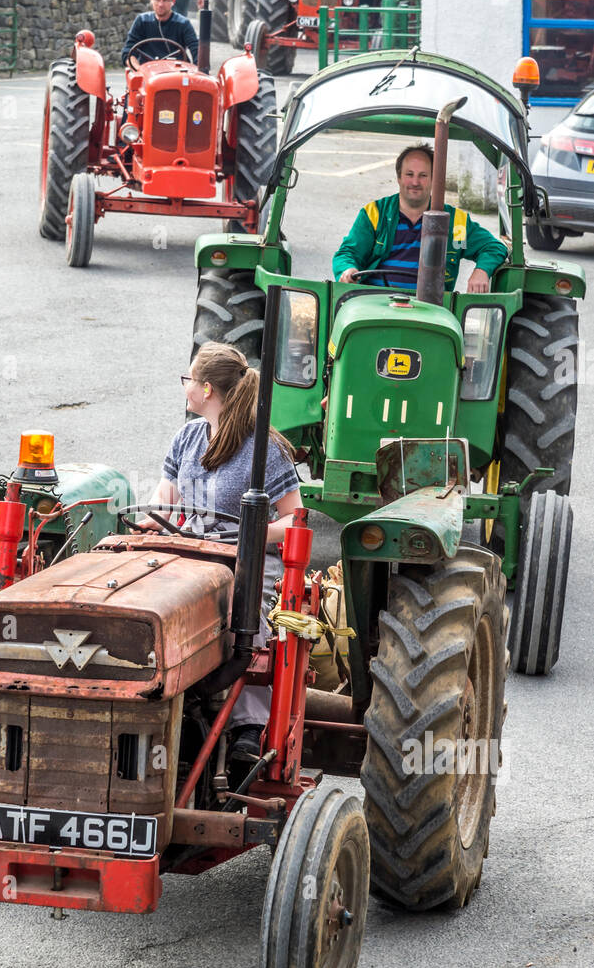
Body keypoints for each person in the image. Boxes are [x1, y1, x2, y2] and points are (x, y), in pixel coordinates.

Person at [145, 342, 302, 764]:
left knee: (243, 615)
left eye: (189, 379)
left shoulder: (265, 449)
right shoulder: (188, 437)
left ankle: (249, 725)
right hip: (191, 551)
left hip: (244, 559)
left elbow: (295, 519)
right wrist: (150, 517)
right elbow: (165, 498)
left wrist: (255, 534)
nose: (185, 386)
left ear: (207, 389)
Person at [332, 144, 509, 293]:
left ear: (434, 179)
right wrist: (348, 268)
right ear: (399, 177)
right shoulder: (374, 215)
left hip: (430, 309)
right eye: (409, 174)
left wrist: (481, 271)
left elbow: (494, 247)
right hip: (374, 302)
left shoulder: (455, 223)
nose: (415, 182)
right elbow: (347, 253)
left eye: (423, 175)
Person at [121, 0, 199, 68]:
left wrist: (198, 69)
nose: (160, 4)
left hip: (176, 70)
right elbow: (128, 52)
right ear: (151, 0)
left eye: (165, 0)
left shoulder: (183, 23)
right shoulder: (142, 21)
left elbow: (196, 49)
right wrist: (139, 69)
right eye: (157, 0)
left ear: (173, 1)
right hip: (147, 70)